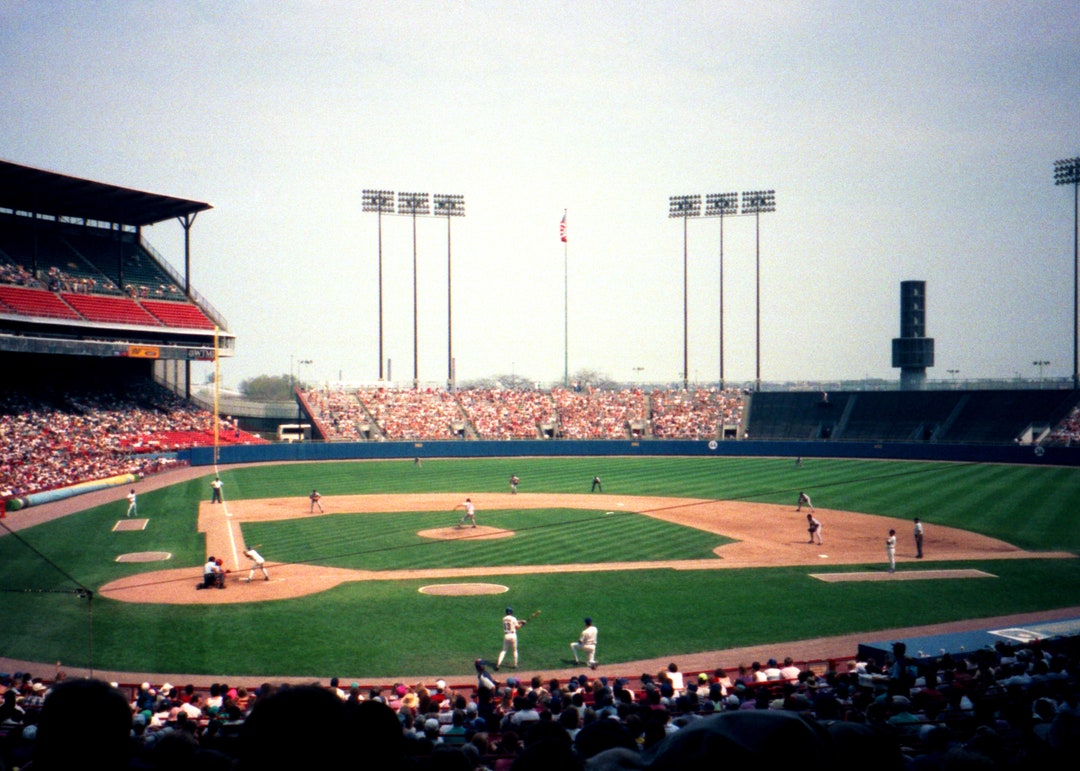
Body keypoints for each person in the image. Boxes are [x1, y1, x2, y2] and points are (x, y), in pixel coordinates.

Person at [495, 606, 525, 671]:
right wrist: (522, 624)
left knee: (503, 651)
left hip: (506, 636)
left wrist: (521, 621)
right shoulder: (513, 618)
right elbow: (517, 627)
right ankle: (515, 664)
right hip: (513, 635)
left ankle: (498, 664)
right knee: (514, 650)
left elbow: (511, 622)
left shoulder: (504, 618)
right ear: (511, 612)